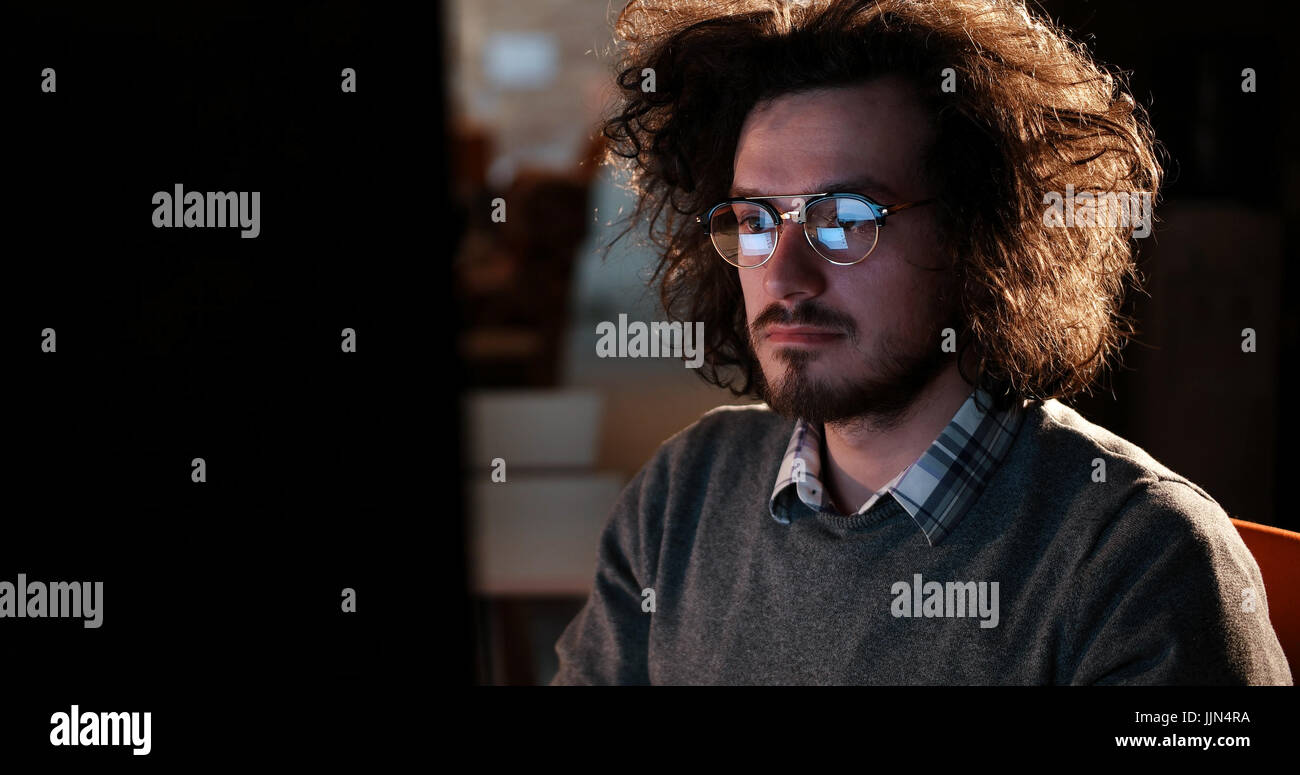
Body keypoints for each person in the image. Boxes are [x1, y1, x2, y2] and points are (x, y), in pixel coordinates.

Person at [551, 0, 1292, 685]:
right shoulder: (683, 493)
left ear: (982, 236)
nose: (784, 274)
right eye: (755, 221)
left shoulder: (1141, 563)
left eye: (843, 217)